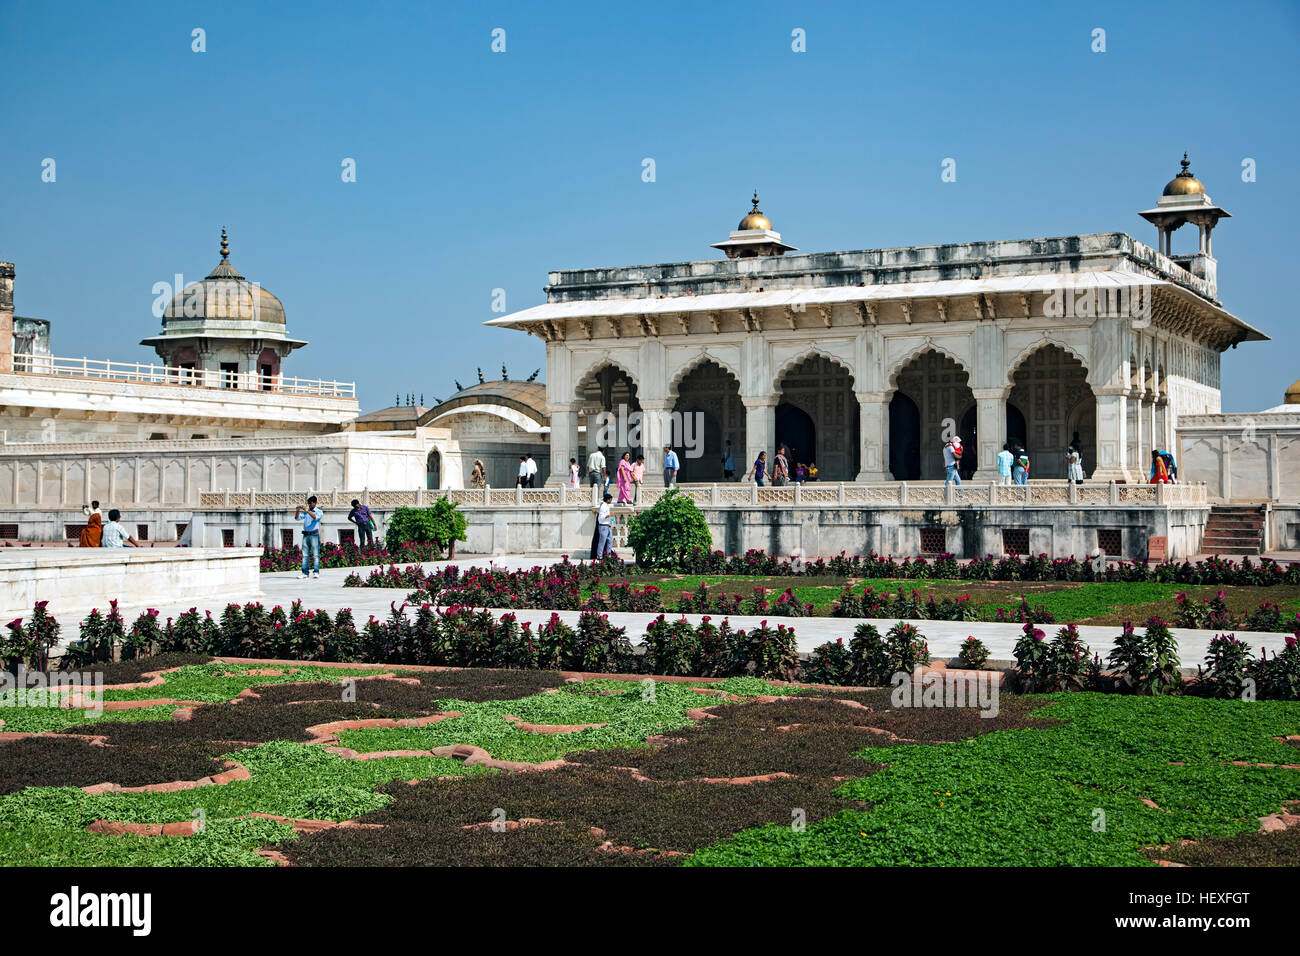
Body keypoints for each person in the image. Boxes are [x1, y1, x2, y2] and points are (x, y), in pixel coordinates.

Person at [294, 496, 324, 577]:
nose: (309, 505)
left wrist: (307, 510)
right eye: (308, 503)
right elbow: (297, 518)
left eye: (310, 503)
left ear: (315, 503)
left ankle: (316, 572)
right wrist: (297, 511)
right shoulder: (306, 512)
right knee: (305, 555)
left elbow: (315, 518)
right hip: (306, 535)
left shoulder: (319, 512)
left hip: (314, 534)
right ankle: (305, 573)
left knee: (315, 554)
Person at [594, 492, 614, 559]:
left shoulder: (607, 506)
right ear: (608, 499)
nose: (611, 500)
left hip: (607, 526)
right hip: (603, 526)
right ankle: (599, 556)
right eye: (610, 499)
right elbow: (601, 517)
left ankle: (608, 556)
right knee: (602, 542)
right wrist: (609, 515)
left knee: (610, 540)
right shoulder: (603, 506)